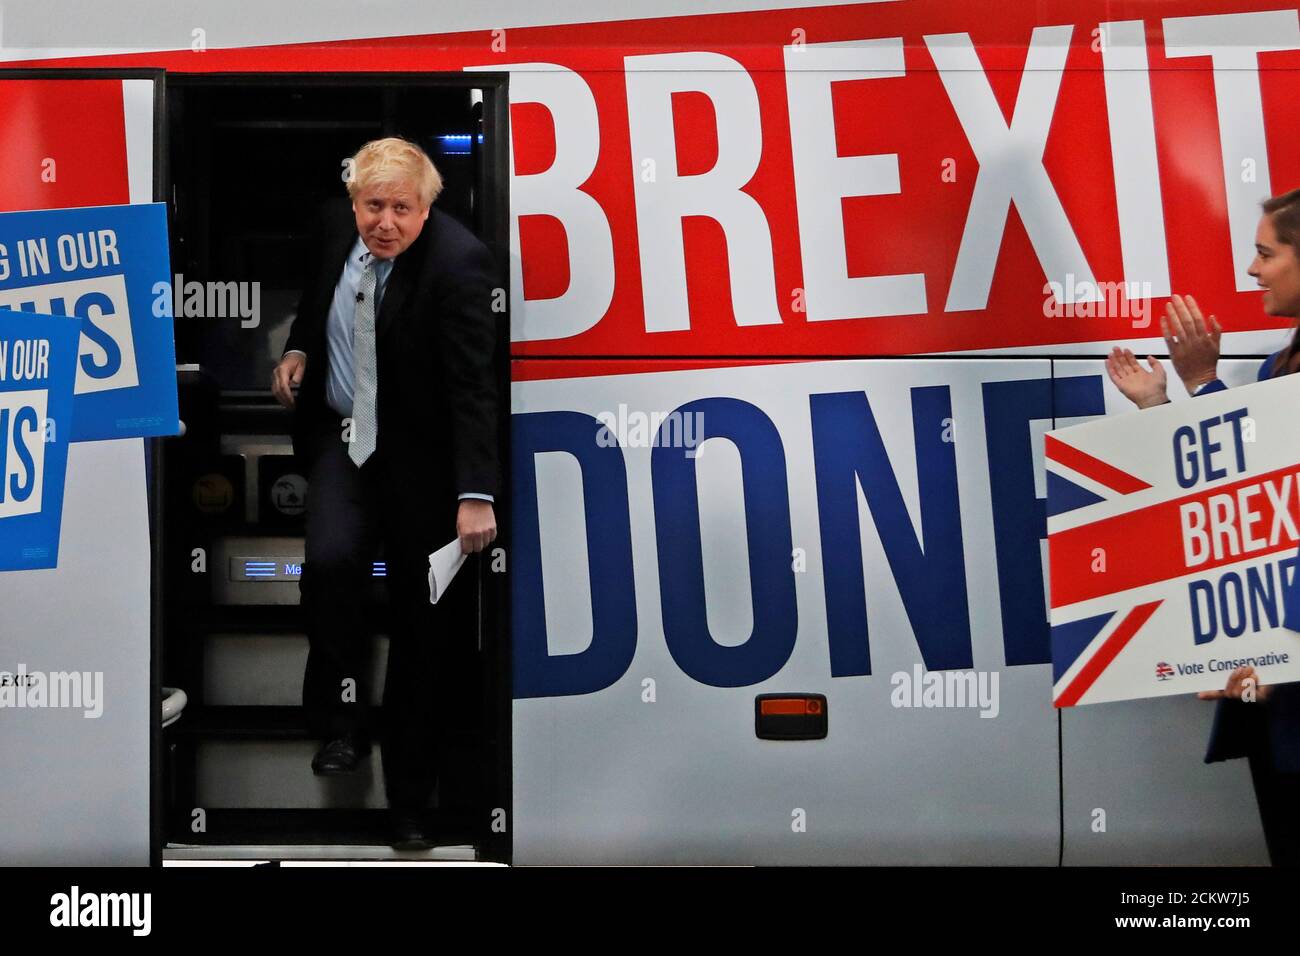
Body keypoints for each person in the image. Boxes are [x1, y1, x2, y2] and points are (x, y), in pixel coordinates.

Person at [271, 137, 500, 849]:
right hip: (345, 439)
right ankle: (338, 723)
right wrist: (301, 348)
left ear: (427, 208)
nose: (386, 223)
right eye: (374, 206)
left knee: (421, 629)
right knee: (333, 561)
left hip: (423, 464)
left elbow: (472, 388)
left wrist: (475, 493)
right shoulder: (334, 229)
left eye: (402, 208)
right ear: (353, 202)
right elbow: (319, 302)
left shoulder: (459, 264)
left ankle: (409, 805)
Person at [1105, 188, 1300, 866]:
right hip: (1270, 687)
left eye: (1266, 252)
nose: (1252, 270)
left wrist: (1206, 383)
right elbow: (1235, 500)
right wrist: (1164, 404)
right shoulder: (1280, 366)